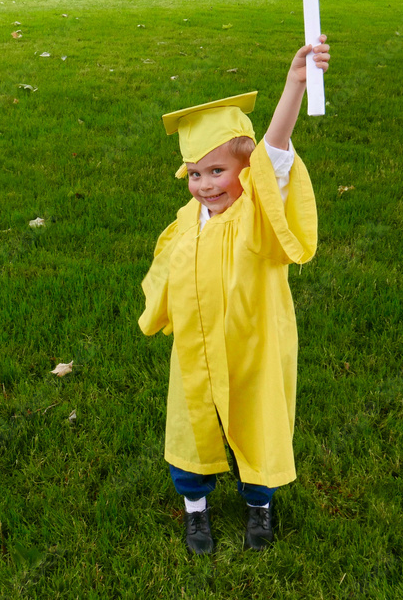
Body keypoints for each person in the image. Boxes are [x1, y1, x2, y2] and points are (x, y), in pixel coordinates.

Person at [139, 36, 330, 554]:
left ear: (248, 174)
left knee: (258, 419)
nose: (204, 185)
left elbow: (276, 155)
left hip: (254, 345)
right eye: (195, 174)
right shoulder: (185, 222)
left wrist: (294, 85)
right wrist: (158, 310)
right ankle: (195, 511)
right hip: (197, 349)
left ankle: (259, 506)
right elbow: (164, 271)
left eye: (217, 171)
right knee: (190, 426)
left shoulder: (257, 218)